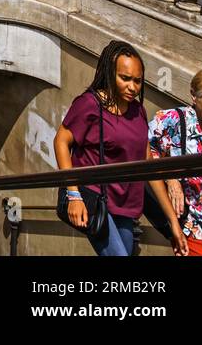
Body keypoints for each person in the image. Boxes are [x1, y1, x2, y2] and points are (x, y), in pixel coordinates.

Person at [54, 40, 149, 256]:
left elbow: (146, 157)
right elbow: (61, 141)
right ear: (109, 73)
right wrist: (74, 196)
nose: (132, 87)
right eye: (124, 78)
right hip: (95, 200)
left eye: (137, 81)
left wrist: (170, 216)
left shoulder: (138, 111)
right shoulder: (89, 104)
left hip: (125, 204)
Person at [147, 67, 202, 256]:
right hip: (192, 229)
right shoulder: (173, 121)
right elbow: (142, 150)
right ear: (194, 97)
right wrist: (171, 177)